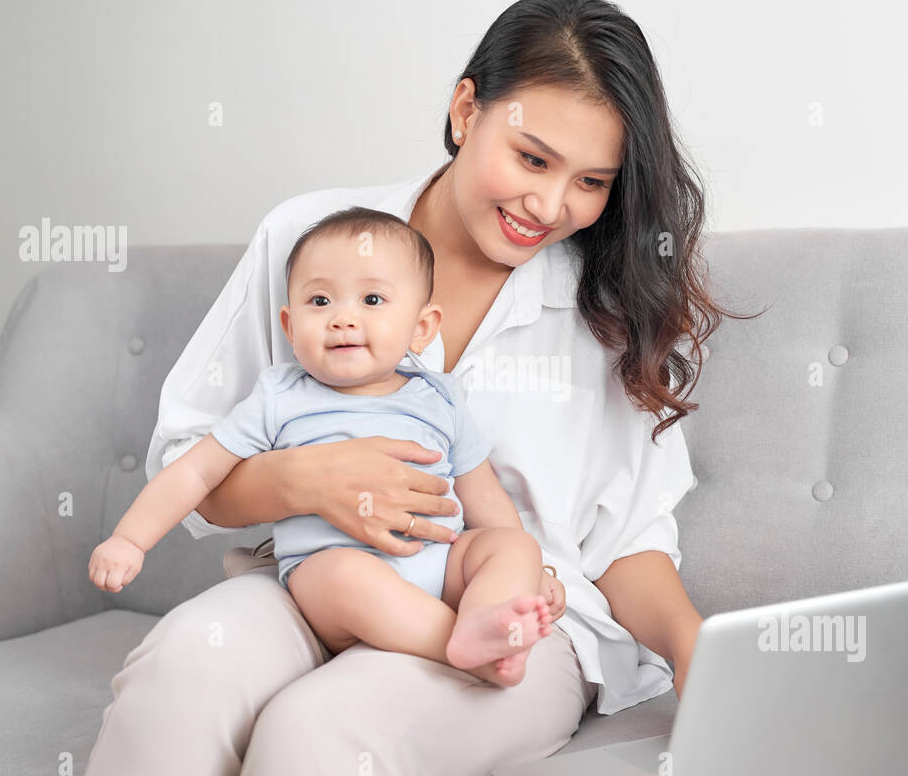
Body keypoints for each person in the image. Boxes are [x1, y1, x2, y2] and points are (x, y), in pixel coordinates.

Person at [76, 0, 750, 776]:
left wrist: (693, 647)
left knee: (322, 732)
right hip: (315, 576)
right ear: (467, 109)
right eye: (532, 158)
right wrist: (303, 481)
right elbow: (187, 459)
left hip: (518, 622)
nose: (549, 206)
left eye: (592, 181)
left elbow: (625, 540)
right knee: (178, 673)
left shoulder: (606, 307)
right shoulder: (311, 241)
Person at [86, 207, 559, 687]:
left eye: (372, 299)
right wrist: (130, 539)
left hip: (441, 567)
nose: (343, 319)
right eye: (320, 301)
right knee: (347, 575)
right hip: (331, 577)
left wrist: (531, 574)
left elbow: (483, 495)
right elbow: (196, 473)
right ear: (290, 327)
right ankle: (462, 648)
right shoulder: (280, 396)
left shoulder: (439, 396)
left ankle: (488, 619)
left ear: (422, 327)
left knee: (511, 545)